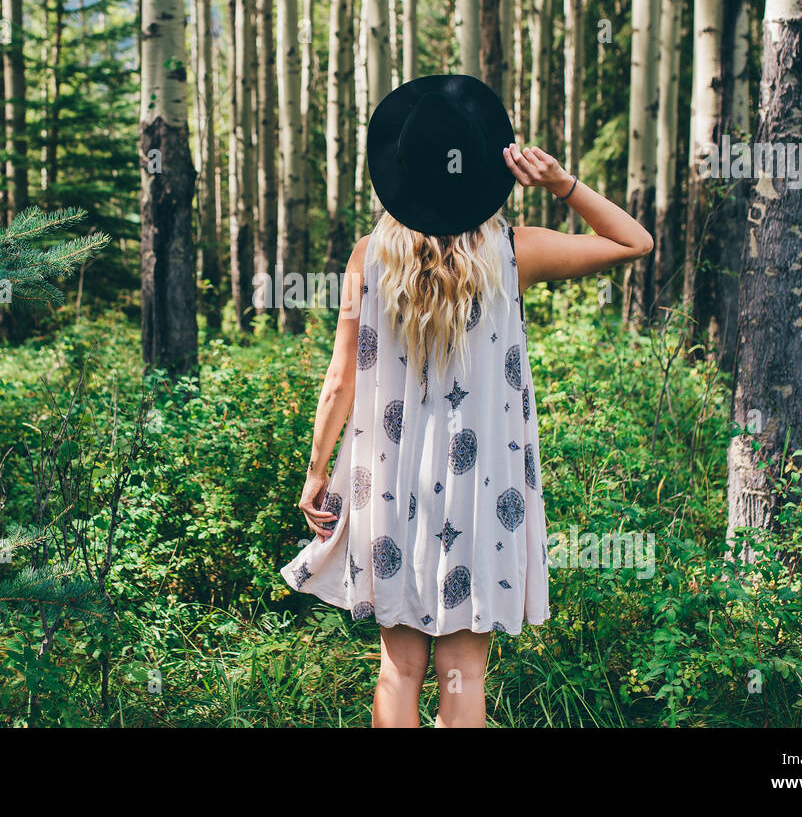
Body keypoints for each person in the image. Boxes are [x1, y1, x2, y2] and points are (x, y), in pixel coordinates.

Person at [279, 74, 653, 728]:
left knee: (399, 670)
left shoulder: (368, 257)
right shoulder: (513, 252)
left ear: (404, 173)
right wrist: (562, 183)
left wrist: (316, 472)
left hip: (388, 485)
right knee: (465, 672)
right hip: (482, 490)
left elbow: (340, 380)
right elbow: (634, 241)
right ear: (482, 172)